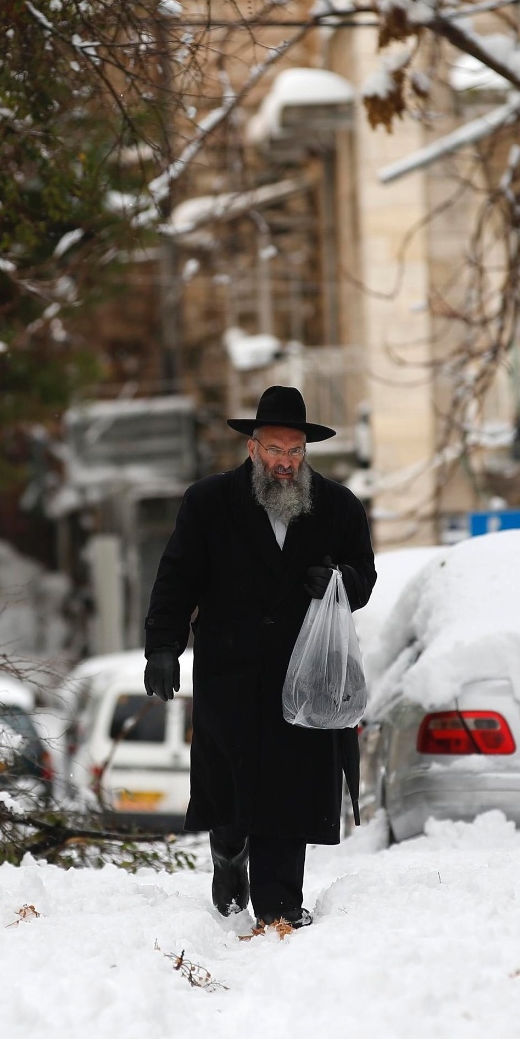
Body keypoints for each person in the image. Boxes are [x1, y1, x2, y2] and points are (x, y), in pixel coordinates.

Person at [142, 386, 376, 928]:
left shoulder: (338, 506)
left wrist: (338, 579)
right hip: (230, 672)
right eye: (275, 449)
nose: (285, 462)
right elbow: (177, 578)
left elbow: (363, 578)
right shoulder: (209, 502)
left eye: (295, 451)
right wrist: (162, 647)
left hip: (304, 675)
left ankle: (279, 906)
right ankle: (229, 855)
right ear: (252, 448)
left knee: (287, 794)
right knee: (229, 789)